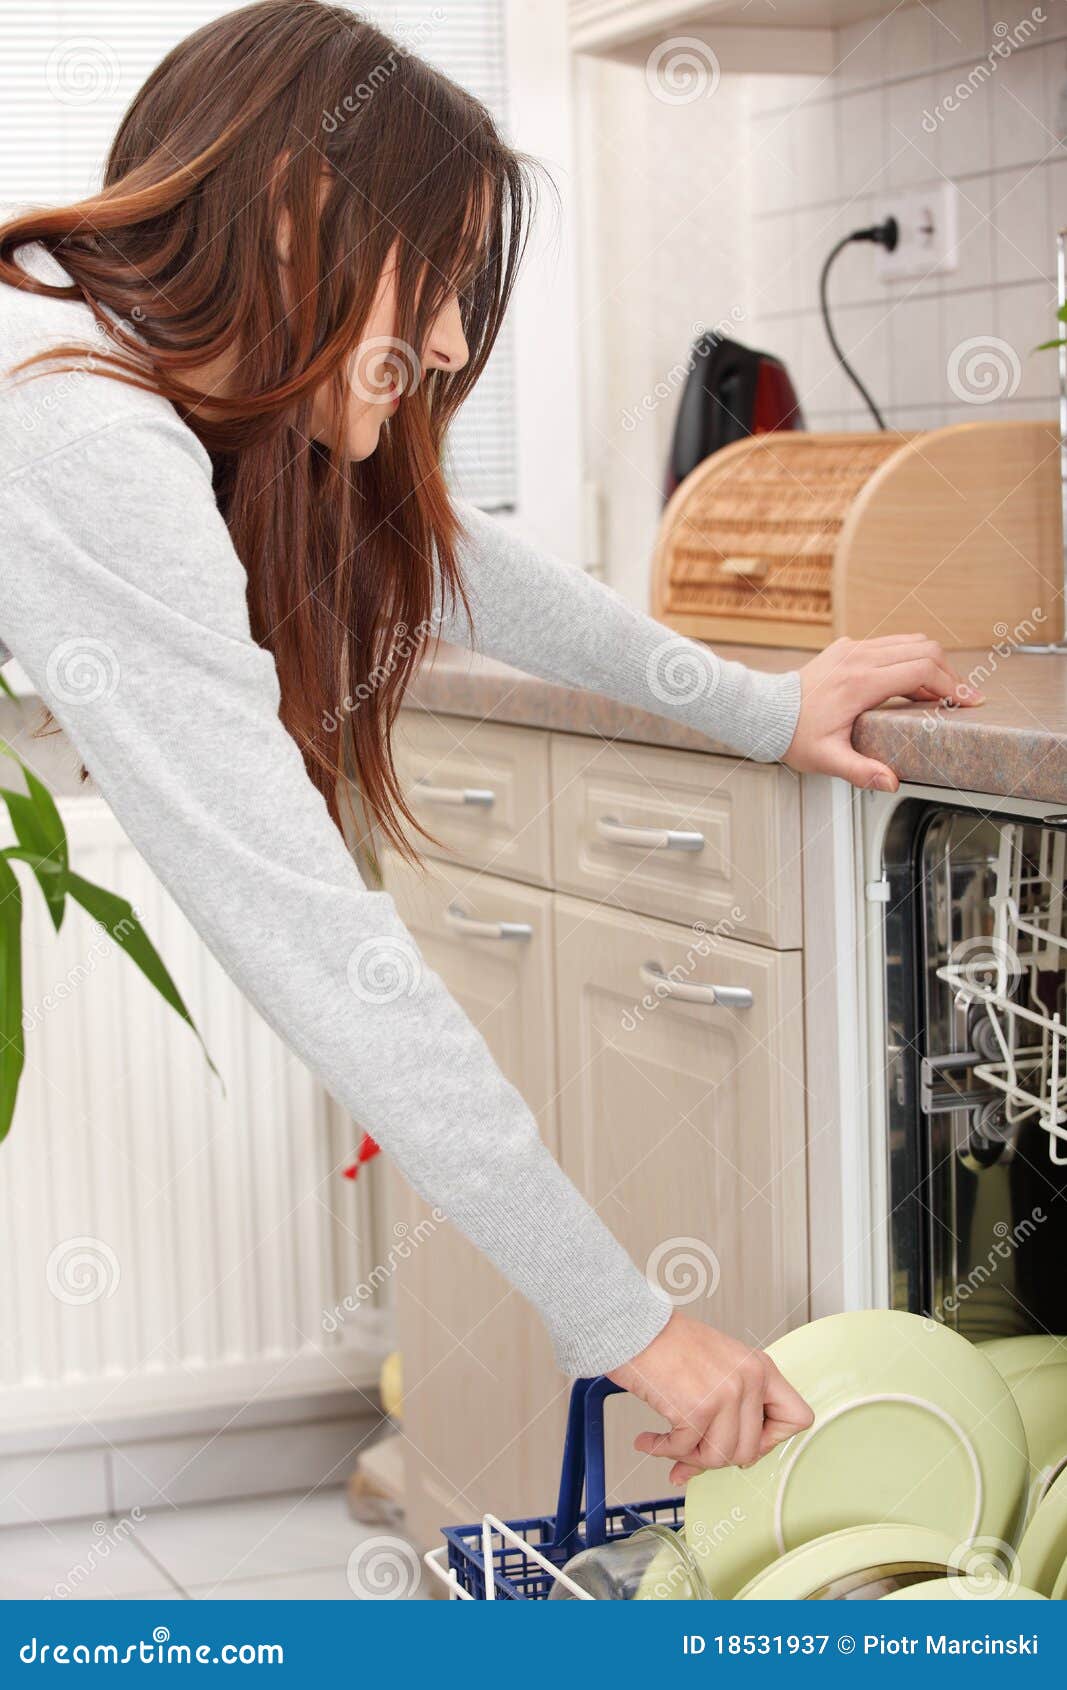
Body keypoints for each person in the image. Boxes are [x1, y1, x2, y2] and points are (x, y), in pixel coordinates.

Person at [0, 1, 979, 1484]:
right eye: (439, 281)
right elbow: (312, 934)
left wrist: (761, 705)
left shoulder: (171, 397)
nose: (454, 338)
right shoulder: (91, 439)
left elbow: (443, 556)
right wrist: (633, 1322)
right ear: (296, 215)